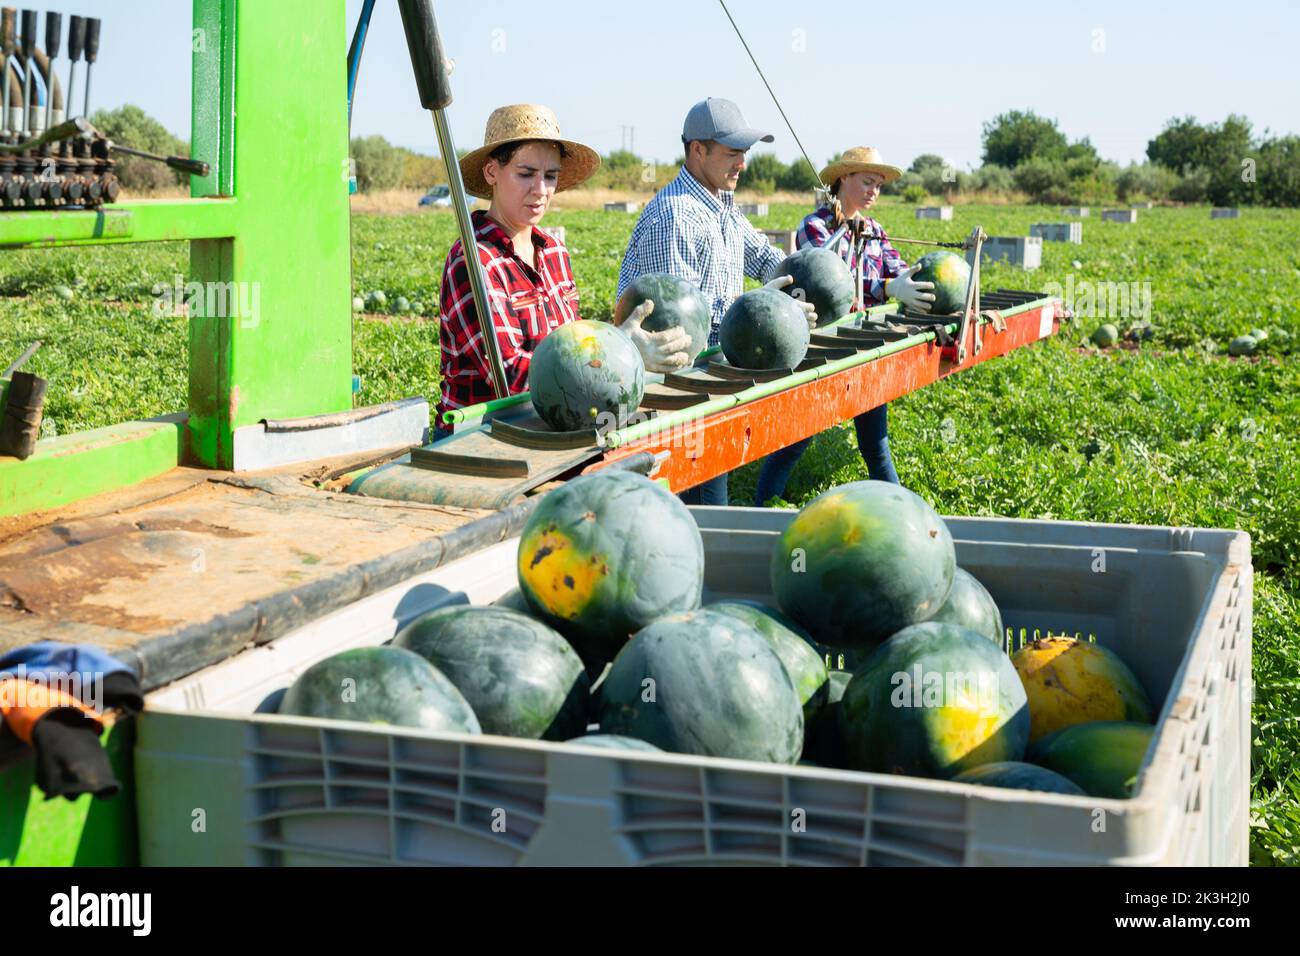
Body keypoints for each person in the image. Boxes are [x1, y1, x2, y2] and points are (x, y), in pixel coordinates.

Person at [436, 104, 684, 438]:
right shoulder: (474, 260)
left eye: (550, 176)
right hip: (483, 437)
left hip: (553, 423)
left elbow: (574, 345)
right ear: (492, 172)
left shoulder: (553, 251)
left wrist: (617, 354)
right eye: (526, 174)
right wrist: (619, 351)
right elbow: (509, 376)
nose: (540, 190)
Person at [616, 97, 816, 505]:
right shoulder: (674, 216)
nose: (742, 162)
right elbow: (680, 327)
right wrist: (765, 310)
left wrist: (804, 284)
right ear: (697, 150)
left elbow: (765, 257)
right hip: (675, 391)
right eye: (732, 153)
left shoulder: (720, 204)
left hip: (709, 379)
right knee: (698, 504)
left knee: (712, 490)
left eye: (744, 152)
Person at [752, 146, 936, 505]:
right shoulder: (815, 227)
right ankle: (762, 508)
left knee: (875, 443)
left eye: (879, 186)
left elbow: (895, 267)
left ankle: (898, 510)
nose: (873, 191)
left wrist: (910, 281)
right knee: (798, 438)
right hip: (823, 348)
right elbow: (828, 285)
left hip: (865, 345)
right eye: (867, 182)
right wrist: (884, 288)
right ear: (843, 179)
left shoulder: (874, 229)